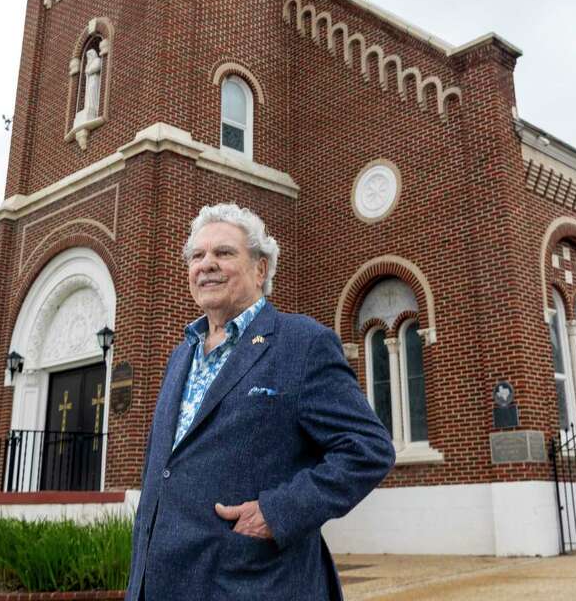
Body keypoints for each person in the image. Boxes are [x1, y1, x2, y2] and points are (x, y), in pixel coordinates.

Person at [125, 203, 396, 600]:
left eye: (224, 253)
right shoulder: (181, 354)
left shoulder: (301, 343)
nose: (207, 264)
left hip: (252, 583)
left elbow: (368, 450)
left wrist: (279, 511)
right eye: (197, 256)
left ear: (260, 268)